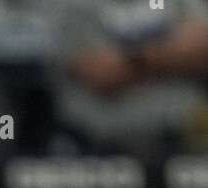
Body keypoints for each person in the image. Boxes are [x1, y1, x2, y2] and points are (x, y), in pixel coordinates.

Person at [51, 0, 208, 155]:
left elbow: (202, 46)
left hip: (188, 138)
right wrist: (172, 51)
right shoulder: (74, 5)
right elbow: (103, 72)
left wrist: (132, 60)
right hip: (102, 149)